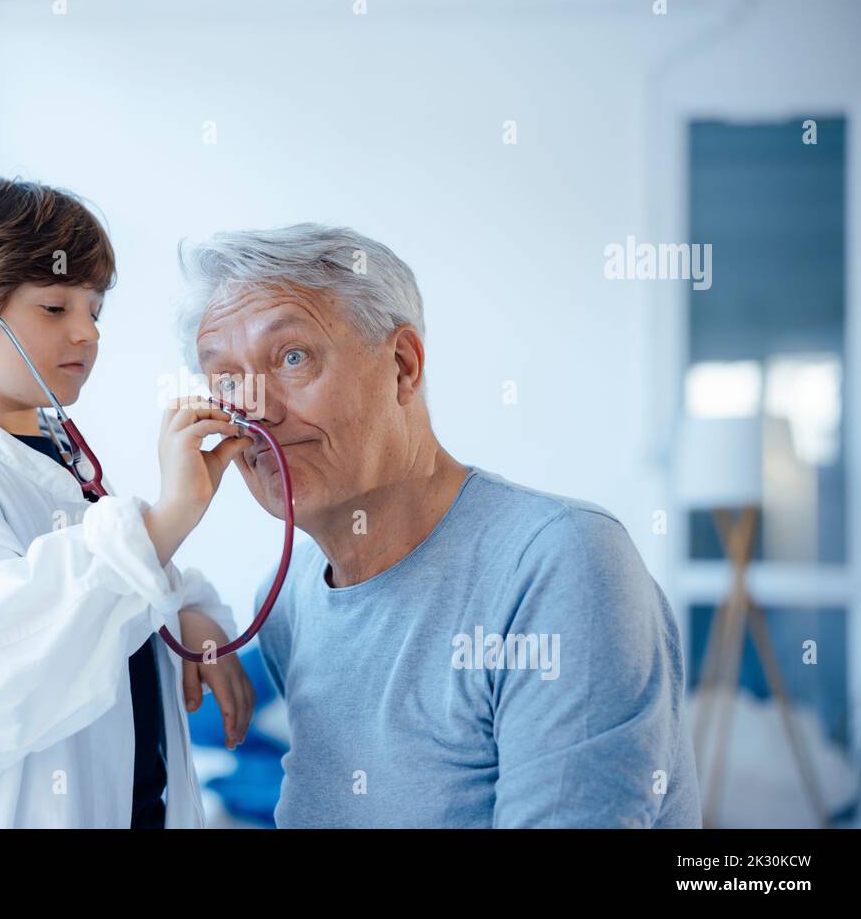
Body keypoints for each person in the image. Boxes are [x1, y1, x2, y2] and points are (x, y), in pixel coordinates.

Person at [177, 223, 702, 827]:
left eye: (292, 358)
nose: (255, 413)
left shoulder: (562, 560)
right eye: (225, 381)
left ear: (403, 365)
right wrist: (178, 603)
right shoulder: (293, 588)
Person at [0, 176, 255, 828]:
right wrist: (166, 520)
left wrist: (187, 611)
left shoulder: (57, 460)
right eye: (56, 309)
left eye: (94, 310)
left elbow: (100, 587)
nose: (87, 334)